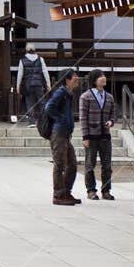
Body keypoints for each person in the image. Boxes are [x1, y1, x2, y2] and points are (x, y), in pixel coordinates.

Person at [42, 69, 81, 206]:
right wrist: (61, 119)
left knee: (72, 164)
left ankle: (66, 191)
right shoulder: (61, 92)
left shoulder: (69, 93)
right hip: (58, 133)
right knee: (60, 164)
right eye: (74, 76)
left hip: (65, 134)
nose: (77, 78)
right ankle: (58, 195)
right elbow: (49, 107)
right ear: (67, 79)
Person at [78, 69, 117, 200]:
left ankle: (106, 190)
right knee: (90, 164)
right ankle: (91, 190)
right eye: (101, 76)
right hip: (91, 135)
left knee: (107, 165)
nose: (104, 78)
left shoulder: (110, 97)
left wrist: (111, 122)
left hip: (105, 135)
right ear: (94, 80)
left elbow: (113, 114)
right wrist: (85, 136)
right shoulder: (85, 96)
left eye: (104, 76)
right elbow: (83, 117)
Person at [12, 43, 52, 125]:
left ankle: (31, 122)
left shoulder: (22, 60)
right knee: (42, 102)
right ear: (34, 50)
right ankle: (44, 120)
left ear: (26, 50)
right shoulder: (40, 59)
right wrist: (48, 84)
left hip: (28, 84)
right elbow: (45, 72)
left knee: (29, 103)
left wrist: (18, 86)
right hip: (39, 84)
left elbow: (20, 74)